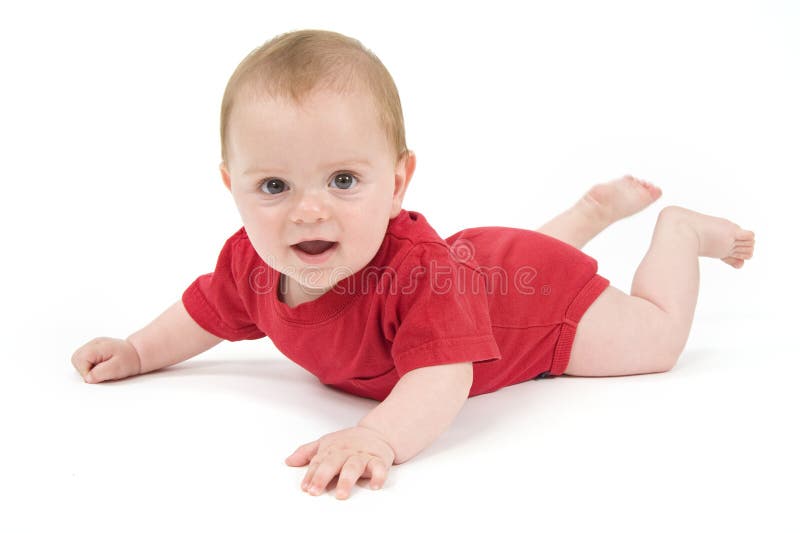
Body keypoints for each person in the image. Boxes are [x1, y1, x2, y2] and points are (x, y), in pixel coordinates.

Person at [71, 29, 755, 500]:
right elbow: (202, 312)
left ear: (398, 183)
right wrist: (137, 350)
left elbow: (443, 374)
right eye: (274, 186)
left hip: (544, 308)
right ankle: (586, 215)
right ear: (233, 187)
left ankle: (678, 231)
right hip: (488, 269)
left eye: (343, 180)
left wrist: (377, 438)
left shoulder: (419, 274)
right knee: (504, 274)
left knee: (657, 340)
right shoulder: (250, 263)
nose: (308, 212)